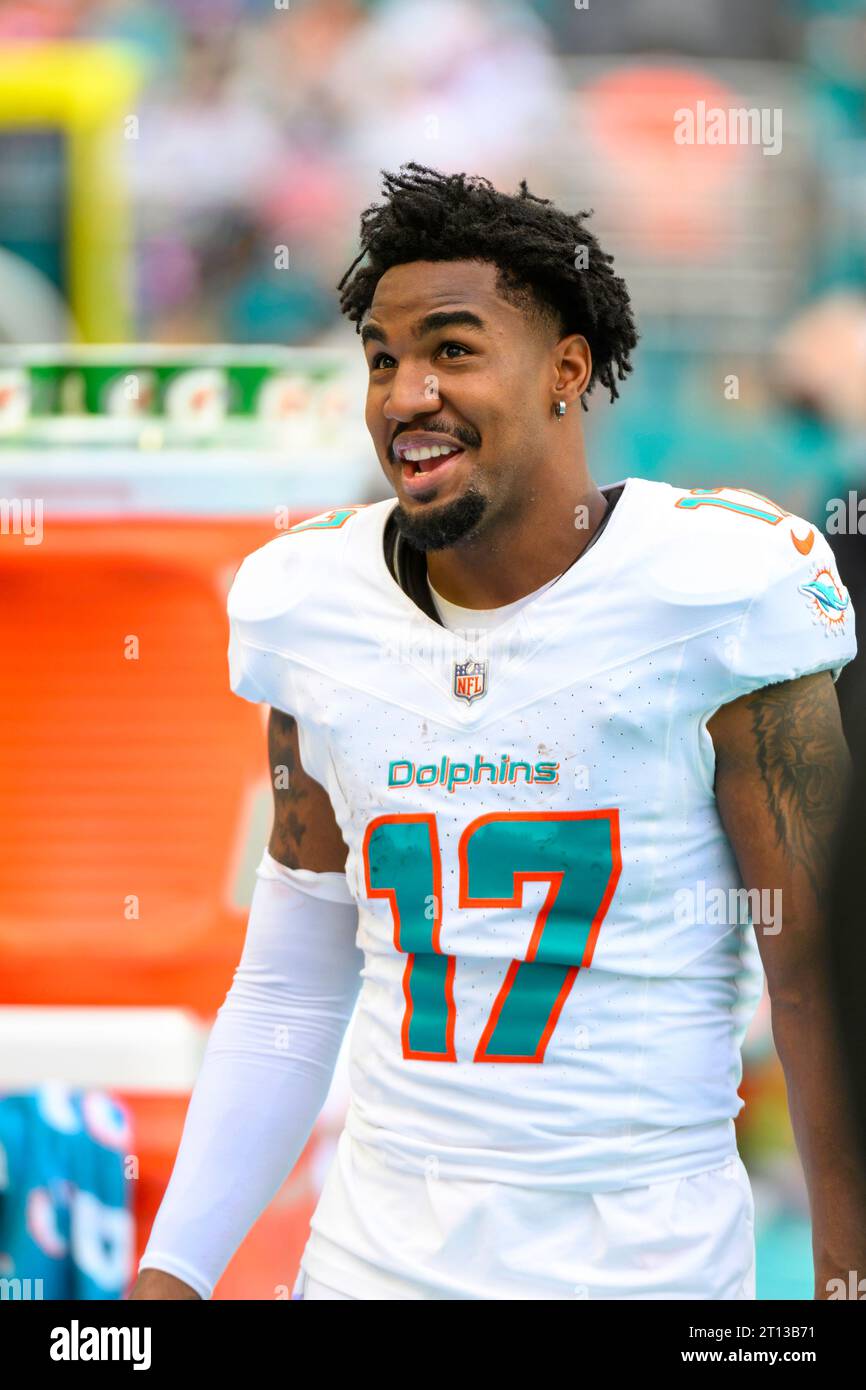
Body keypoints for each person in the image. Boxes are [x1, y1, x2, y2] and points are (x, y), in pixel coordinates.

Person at [131, 163, 865, 1301]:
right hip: (370, 1267)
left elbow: (819, 980)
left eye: (451, 350)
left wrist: (844, 1280)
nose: (405, 393)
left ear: (566, 368)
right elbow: (289, 986)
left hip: (642, 1280)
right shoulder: (304, 604)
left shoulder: (718, 592)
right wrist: (169, 1278)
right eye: (381, 357)